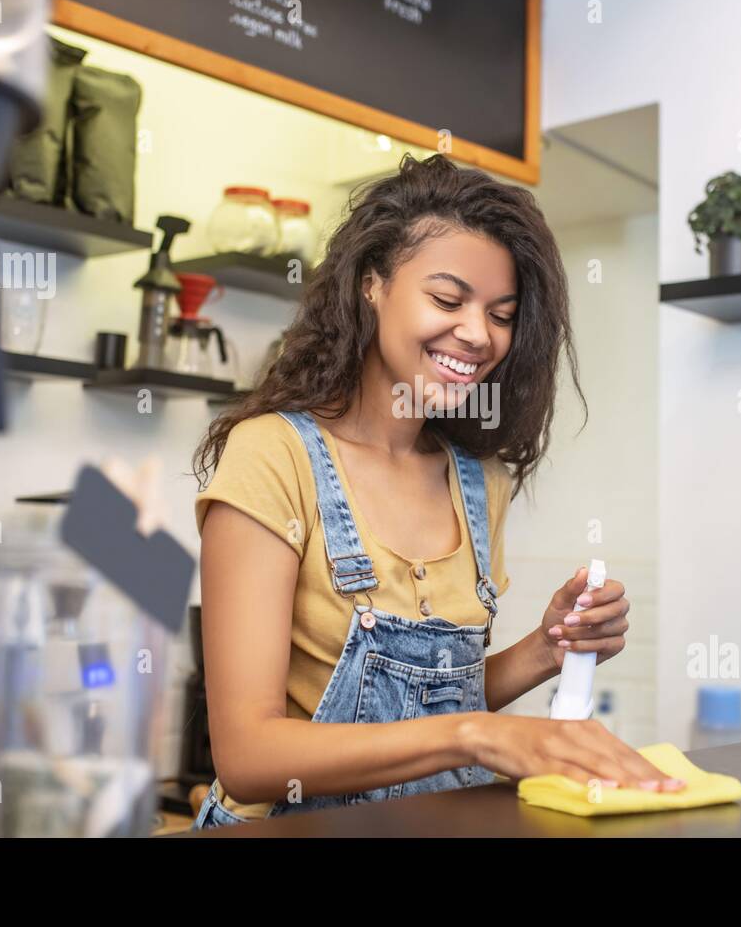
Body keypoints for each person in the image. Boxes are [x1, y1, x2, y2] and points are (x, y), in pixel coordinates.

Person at [190, 153, 683, 827]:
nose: (478, 334)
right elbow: (247, 755)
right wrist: (481, 735)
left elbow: (437, 702)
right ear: (373, 285)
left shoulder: (481, 483)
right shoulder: (273, 455)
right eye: (447, 300)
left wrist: (547, 647)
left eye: (502, 314)